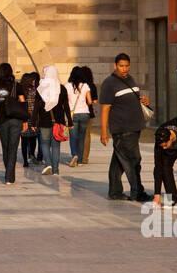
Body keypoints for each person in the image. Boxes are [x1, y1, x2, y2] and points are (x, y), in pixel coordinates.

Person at [99, 53, 152, 201]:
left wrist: (145, 100)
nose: (124, 69)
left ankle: (115, 192)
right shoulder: (109, 83)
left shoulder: (130, 79)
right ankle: (138, 192)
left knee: (118, 161)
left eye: (127, 65)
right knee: (134, 160)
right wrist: (104, 132)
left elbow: (133, 99)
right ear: (115, 66)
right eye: (121, 66)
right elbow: (105, 109)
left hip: (135, 127)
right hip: (123, 129)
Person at [0, 63, 29, 185]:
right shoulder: (17, 86)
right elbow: (23, 103)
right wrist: (25, 120)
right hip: (16, 120)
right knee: (13, 148)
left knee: (6, 148)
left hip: (2, 121)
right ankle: (9, 177)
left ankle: (8, 174)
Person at [32, 65, 72, 177]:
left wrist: (33, 122)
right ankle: (55, 170)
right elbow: (66, 106)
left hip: (44, 121)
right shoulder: (62, 88)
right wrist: (70, 121)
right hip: (58, 121)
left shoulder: (41, 88)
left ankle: (48, 164)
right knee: (56, 145)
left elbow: (36, 107)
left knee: (44, 143)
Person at [65, 66, 94, 167]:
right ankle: (80, 161)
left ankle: (74, 155)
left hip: (72, 115)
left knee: (73, 137)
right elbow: (90, 101)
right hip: (85, 114)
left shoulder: (67, 86)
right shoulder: (85, 86)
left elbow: (66, 101)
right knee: (81, 137)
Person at [20, 71, 41, 169]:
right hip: (33, 117)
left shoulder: (21, 91)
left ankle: (25, 161)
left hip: (23, 117)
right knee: (33, 138)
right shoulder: (34, 90)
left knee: (24, 140)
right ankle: (32, 155)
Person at [78, 65, 99, 164]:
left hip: (77, 112)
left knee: (78, 134)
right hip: (89, 113)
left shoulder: (77, 85)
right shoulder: (92, 86)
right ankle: (85, 157)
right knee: (86, 134)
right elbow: (95, 101)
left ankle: (77, 155)